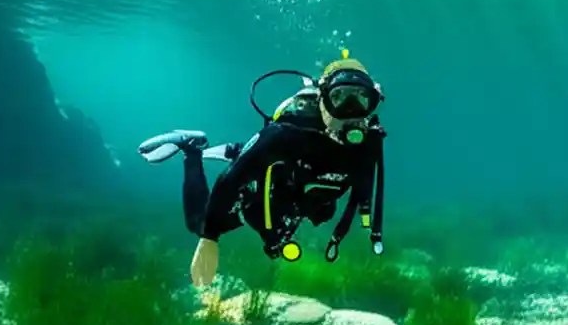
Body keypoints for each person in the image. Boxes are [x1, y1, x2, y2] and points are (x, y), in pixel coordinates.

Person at [138, 51, 387, 287]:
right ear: (322, 100)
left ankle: (237, 151)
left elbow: (361, 187)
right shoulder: (286, 134)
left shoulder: (368, 144)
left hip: (294, 193)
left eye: (362, 99)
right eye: (340, 98)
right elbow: (231, 180)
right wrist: (209, 237)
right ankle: (192, 148)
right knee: (198, 222)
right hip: (261, 189)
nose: (352, 111)